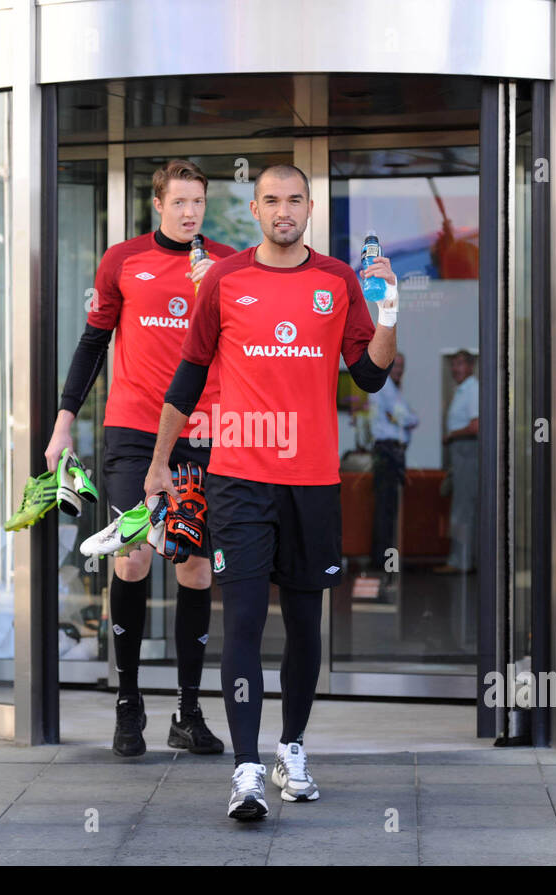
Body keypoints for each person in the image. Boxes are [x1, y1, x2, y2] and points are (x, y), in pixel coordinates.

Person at [145, 164, 398, 821]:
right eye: (271, 200)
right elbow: (188, 376)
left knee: (308, 627)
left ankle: (292, 748)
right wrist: (159, 461)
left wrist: (391, 313)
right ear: (254, 209)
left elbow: (368, 376)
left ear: (309, 207)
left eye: (294, 200)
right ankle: (246, 769)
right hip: (240, 480)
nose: (283, 210)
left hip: (313, 481)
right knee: (247, 622)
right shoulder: (226, 281)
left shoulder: (338, 281)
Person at [44, 159, 236, 758]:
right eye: (178, 202)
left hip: (202, 432)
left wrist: (215, 298)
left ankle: (187, 708)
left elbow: (244, 349)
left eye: (198, 203)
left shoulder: (228, 265)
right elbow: (92, 343)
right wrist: (63, 424)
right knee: (131, 558)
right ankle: (128, 701)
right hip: (132, 429)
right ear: (158, 204)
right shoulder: (123, 260)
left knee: (196, 569)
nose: (189, 213)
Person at [367, 354, 418, 572]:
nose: (399, 370)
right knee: (387, 508)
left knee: (389, 507)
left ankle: (385, 560)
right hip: (389, 452)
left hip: (390, 452)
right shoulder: (385, 387)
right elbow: (407, 418)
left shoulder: (393, 388)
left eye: (402, 366)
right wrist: (410, 418)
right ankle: (384, 562)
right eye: (396, 365)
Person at [439, 349, 479, 574]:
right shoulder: (461, 391)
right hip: (461, 451)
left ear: (470, 367)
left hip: (467, 450)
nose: (456, 369)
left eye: (460, 364)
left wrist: (451, 435)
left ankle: (460, 562)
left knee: (463, 508)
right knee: (462, 506)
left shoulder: (472, 390)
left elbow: (476, 426)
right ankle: (462, 559)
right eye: (453, 365)